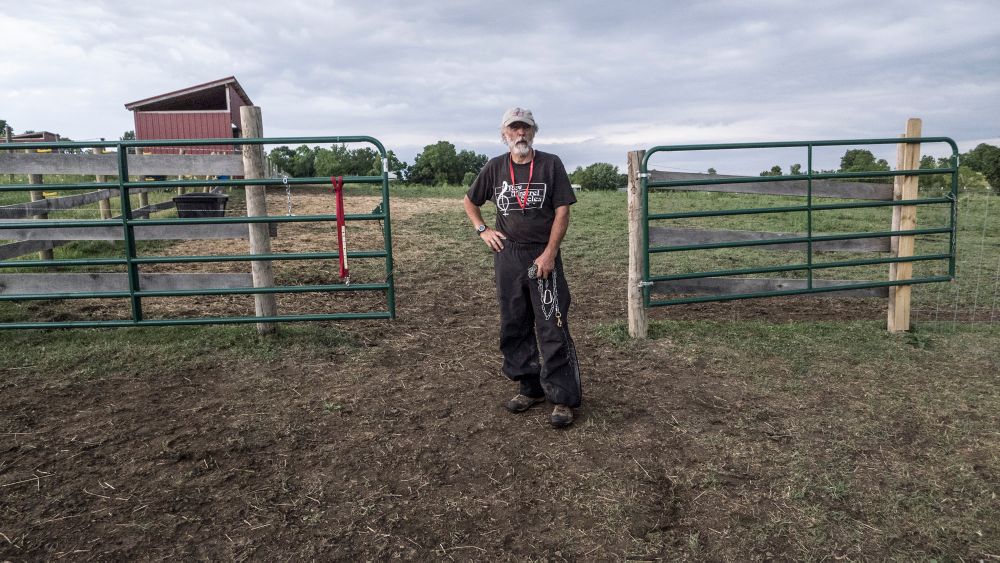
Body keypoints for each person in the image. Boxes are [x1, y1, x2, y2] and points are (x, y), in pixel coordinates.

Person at [463, 107, 582, 428]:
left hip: (543, 254)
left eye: (525, 129)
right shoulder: (495, 167)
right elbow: (469, 201)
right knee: (514, 322)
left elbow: (562, 213)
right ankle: (529, 388)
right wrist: (482, 230)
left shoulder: (550, 164)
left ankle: (562, 397)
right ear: (504, 134)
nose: (520, 134)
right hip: (508, 255)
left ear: (533, 132)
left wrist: (549, 254)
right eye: (513, 129)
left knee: (551, 323)